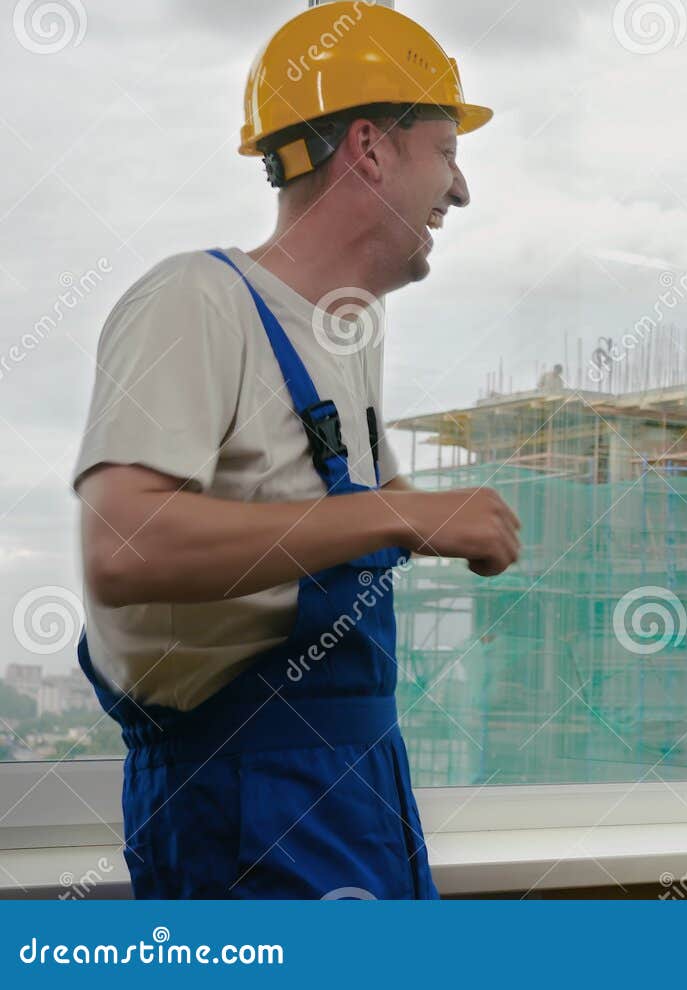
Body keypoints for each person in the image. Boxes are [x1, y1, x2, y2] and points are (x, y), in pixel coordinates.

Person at [72, 3, 519, 899]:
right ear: (368, 148)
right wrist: (403, 514)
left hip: (358, 782)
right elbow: (123, 545)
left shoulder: (351, 332)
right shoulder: (196, 300)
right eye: (446, 150)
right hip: (242, 801)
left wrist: (438, 518)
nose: (462, 190)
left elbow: (345, 507)